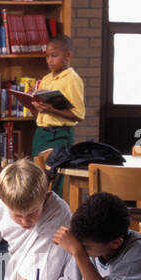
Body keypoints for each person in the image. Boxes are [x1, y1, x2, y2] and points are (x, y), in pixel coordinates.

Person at [31, 33, 85, 193]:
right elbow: (42, 114)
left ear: (68, 55)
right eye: (47, 56)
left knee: (53, 182)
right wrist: (33, 107)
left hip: (59, 135)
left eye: (55, 56)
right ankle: (39, 216)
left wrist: (52, 109)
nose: (50, 60)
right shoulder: (46, 78)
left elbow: (78, 115)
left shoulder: (72, 80)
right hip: (41, 133)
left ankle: (56, 216)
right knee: (36, 181)